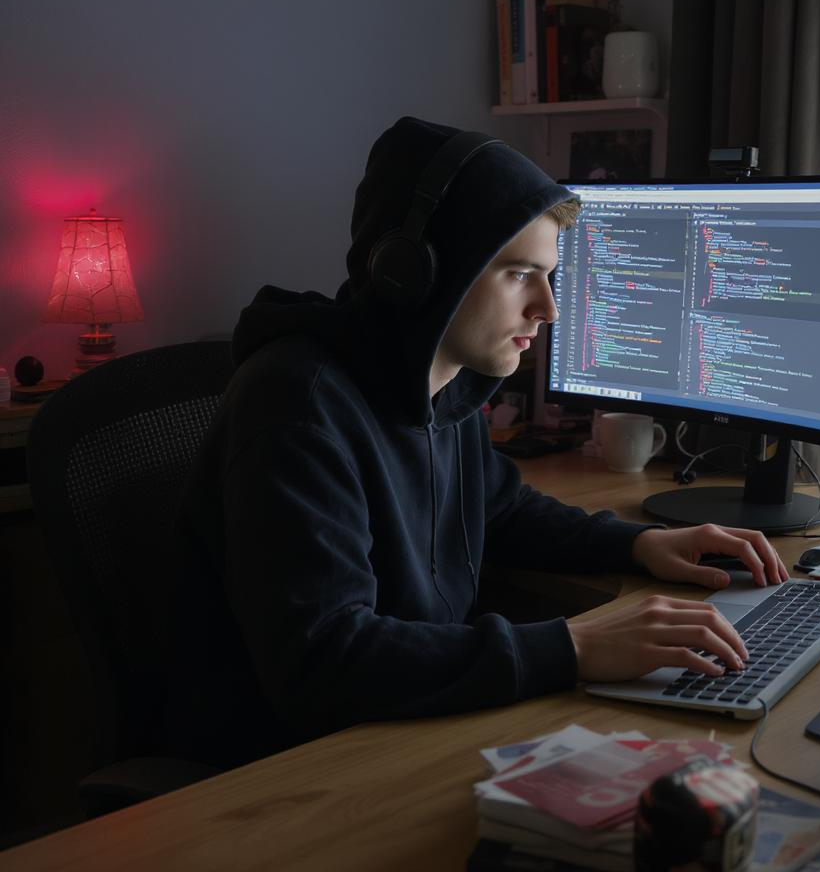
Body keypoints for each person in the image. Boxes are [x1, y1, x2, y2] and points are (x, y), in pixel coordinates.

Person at [166, 116, 786, 768]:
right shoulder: (297, 408)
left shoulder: (443, 387)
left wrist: (637, 543)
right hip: (284, 772)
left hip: (402, 726)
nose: (547, 308)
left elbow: (501, 507)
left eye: (548, 275)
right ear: (414, 272)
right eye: (520, 273)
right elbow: (325, 660)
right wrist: (573, 646)